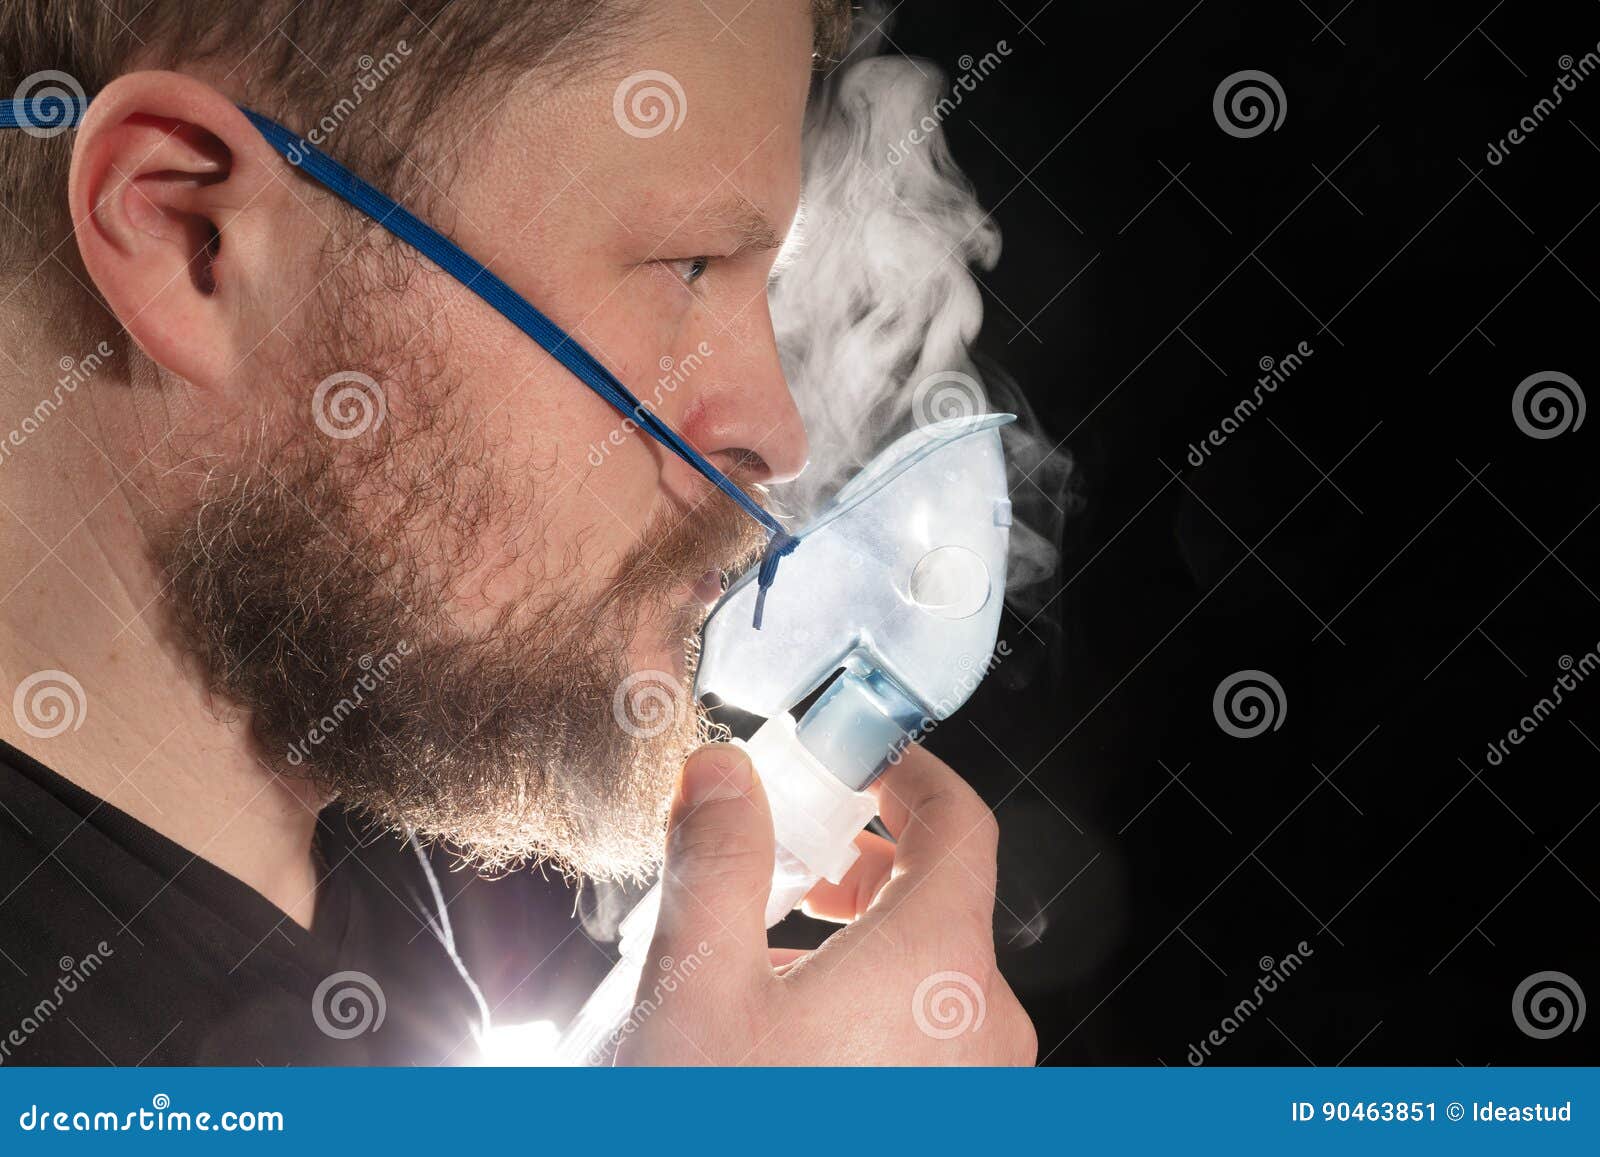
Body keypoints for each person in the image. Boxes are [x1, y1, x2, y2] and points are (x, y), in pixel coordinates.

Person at [0, 0, 1036, 1065]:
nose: (777, 434)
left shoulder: (390, 892)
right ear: (193, 241)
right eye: (687, 265)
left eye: (762, 286)